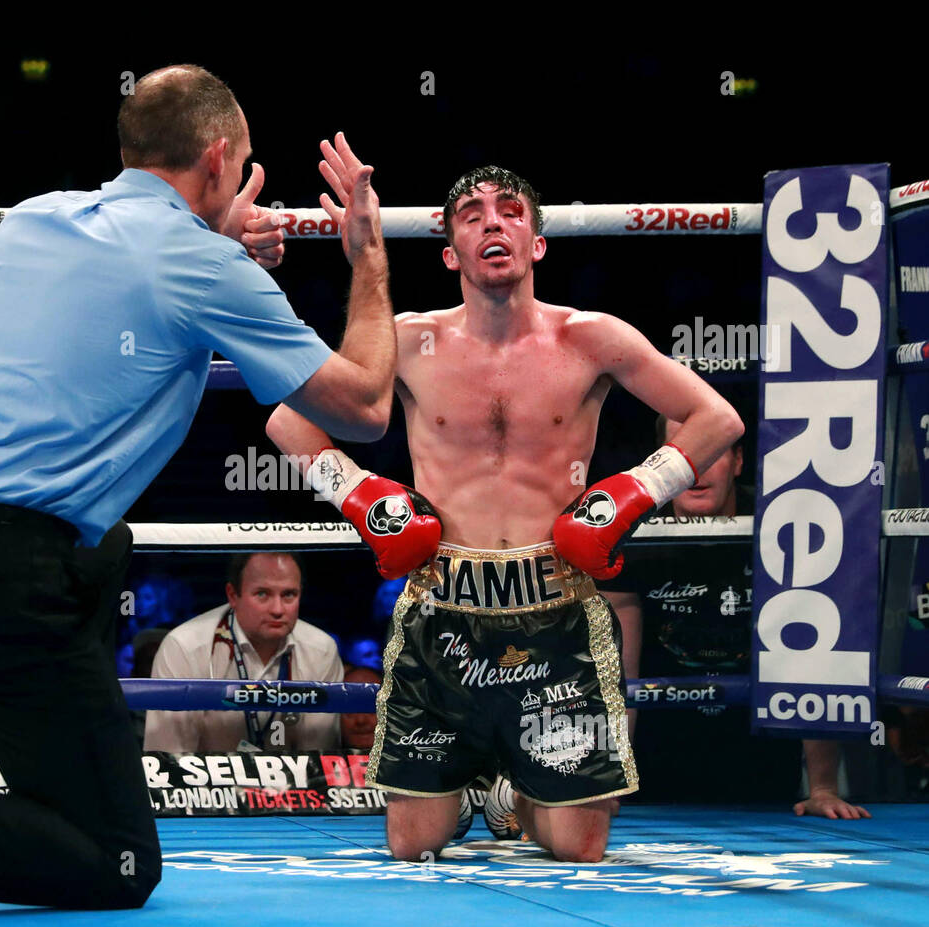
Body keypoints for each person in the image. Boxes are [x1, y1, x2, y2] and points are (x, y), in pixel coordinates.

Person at [0, 64, 403, 927]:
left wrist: (219, 245)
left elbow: (105, 312)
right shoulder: (197, 263)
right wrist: (367, 259)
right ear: (217, 159)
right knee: (116, 861)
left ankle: (50, 769)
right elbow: (364, 404)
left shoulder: (32, 219)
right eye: (238, 168)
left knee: (102, 553)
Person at [266, 165, 743, 863]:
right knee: (411, 845)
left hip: (556, 615)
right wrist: (360, 492)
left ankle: (507, 793)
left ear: (537, 242)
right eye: (472, 214)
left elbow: (716, 418)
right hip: (443, 616)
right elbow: (287, 419)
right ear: (450, 253)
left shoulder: (591, 337)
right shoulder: (407, 339)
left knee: (577, 847)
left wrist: (634, 492)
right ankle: (460, 794)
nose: (493, 222)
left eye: (511, 210)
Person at [603, 415, 869, 819]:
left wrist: (823, 786)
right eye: (682, 454)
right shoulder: (631, 533)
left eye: (710, 453)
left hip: (762, 768)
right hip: (659, 768)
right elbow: (621, 672)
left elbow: (811, 652)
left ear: (739, 461)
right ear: (657, 464)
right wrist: (609, 783)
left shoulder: (787, 526)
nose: (695, 469)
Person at [144, 553, 343, 753]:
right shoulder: (185, 647)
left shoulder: (322, 650)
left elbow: (319, 761)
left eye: (288, 595)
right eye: (262, 594)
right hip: (204, 783)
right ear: (232, 595)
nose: (277, 609)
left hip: (296, 783)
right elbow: (168, 759)